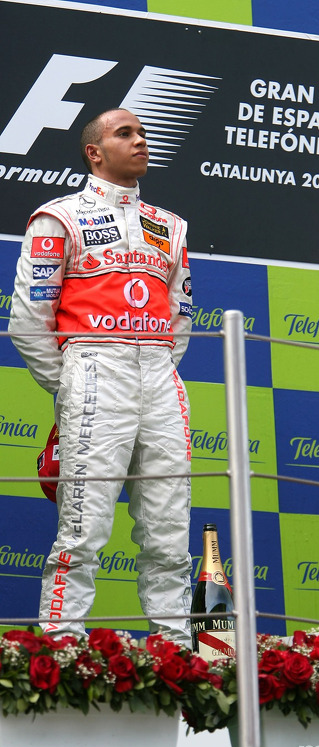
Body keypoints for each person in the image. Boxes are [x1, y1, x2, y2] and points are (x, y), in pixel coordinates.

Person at [9, 108, 193, 644]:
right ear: (94, 152)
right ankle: (60, 649)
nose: (141, 141)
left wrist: (152, 364)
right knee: (83, 527)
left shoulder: (172, 225)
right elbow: (28, 320)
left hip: (160, 373)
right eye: (125, 134)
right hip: (94, 369)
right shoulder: (58, 218)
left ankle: (175, 650)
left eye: (143, 133)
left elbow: (181, 316)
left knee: (168, 528)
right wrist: (71, 384)